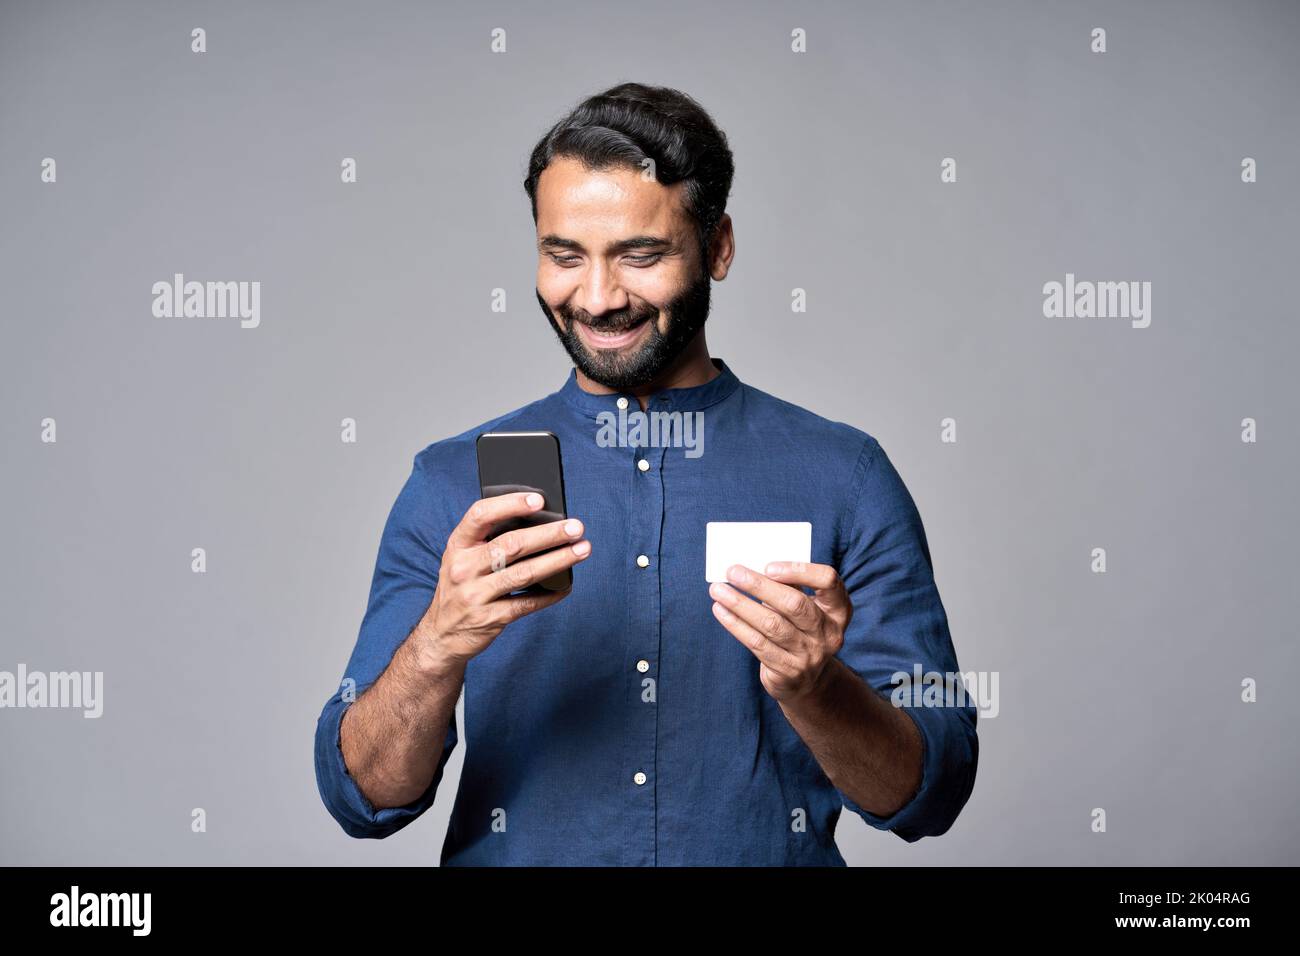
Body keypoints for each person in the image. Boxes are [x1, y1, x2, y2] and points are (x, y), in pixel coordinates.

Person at [313, 82, 977, 865]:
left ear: (718, 247)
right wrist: (437, 645)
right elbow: (363, 798)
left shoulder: (845, 475)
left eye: (641, 254)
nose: (597, 298)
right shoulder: (449, 483)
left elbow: (930, 794)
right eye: (564, 255)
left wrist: (816, 687)